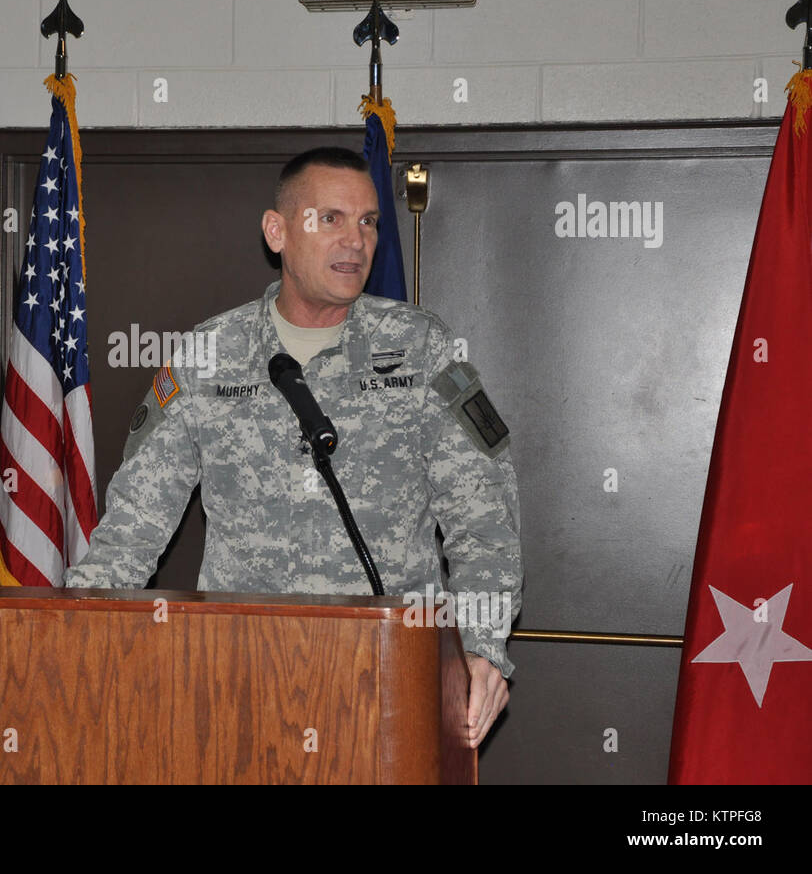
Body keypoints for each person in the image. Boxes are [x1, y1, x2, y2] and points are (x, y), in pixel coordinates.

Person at [64, 147, 522, 748]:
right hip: (239, 682)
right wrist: (68, 635)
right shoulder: (209, 354)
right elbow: (135, 525)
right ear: (277, 231)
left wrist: (481, 646)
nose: (355, 241)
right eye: (329, 219)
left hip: (388, 683)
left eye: (368, 221)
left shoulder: (422, 348)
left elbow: (484, 520)